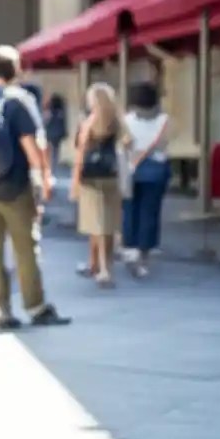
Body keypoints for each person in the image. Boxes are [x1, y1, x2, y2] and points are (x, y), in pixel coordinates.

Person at [0, 47, 70, 330]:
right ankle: (36, 305)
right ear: (15, 69)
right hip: (13, 185)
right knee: (25, 247)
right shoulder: (17, 100)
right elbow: (32, 144)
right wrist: (44, 178)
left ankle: (0, 309)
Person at [72, 83, 131, 287]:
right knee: (109, 224)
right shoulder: (117, 120)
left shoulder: (88, 121)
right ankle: (103, 267)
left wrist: (75, 181)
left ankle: (100, 268)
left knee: (95, 224)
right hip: (111, 175)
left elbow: (80, 152)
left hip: (91, 178)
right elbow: (128, 141)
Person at [121, 81, 171, 277]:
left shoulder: (127, 120)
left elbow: (124, 145)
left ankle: (129, 248)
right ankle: (144, 254)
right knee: (150, 211)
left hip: (132, 168)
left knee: (130, 209)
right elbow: (164, 144)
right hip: (156, 169)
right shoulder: (164, 120)